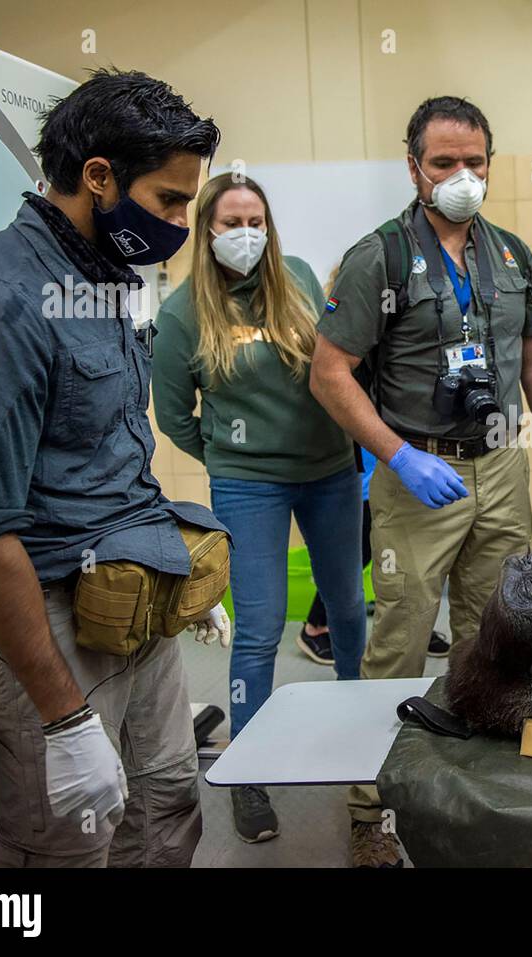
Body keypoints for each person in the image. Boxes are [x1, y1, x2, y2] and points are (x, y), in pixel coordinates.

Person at [0, 68, 225, 867]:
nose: (183, 224)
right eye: (168, 202)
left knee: (165, 802)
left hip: (134, 600)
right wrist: (63, 718)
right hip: (48, 622)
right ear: (98, 178)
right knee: (64, 846)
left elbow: (110, 451)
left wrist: (166, 554)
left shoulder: (105, 283)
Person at [310, 95, 532, 867]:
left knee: (494, 632)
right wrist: (396, 455)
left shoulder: (512, 256)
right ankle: (370, 812)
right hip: (417, 471)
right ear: (414, 168)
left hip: (501, 465)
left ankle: (468, 791)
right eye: (444, 164)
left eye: (475, 163)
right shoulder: (380, 257)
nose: (463, 177)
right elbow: (330, 375)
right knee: (395, 643)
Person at [152, 172, 367, 844]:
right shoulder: (183, 313)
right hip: (249, 485)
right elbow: (172, 415)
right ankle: (249, 772)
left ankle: (353, 731)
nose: (247, 233)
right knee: (259, 626)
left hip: (329, 470)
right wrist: (227, 456)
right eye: (231, 223)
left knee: (350, 608)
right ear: (206, 232)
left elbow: (337, 361)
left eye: (256, 221)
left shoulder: (300, 276)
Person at [297, 444, 451, 664]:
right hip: (366, 474)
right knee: (354, 555)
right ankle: (315, 625)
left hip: (405, 473)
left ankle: (412, 626)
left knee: (409, 554)